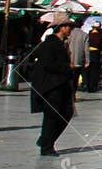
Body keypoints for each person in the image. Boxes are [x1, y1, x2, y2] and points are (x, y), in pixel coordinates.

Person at [22, 19, 77, 156]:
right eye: (68, 27)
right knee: (52, 116)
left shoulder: (61, 43)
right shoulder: (50, 43)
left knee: (67, 113)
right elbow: (48, 64)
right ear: (61, 28)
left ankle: (45, 139)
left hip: (61, 83)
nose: (70, 30)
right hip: (51, 85)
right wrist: (67, 67)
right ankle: (46, 146)